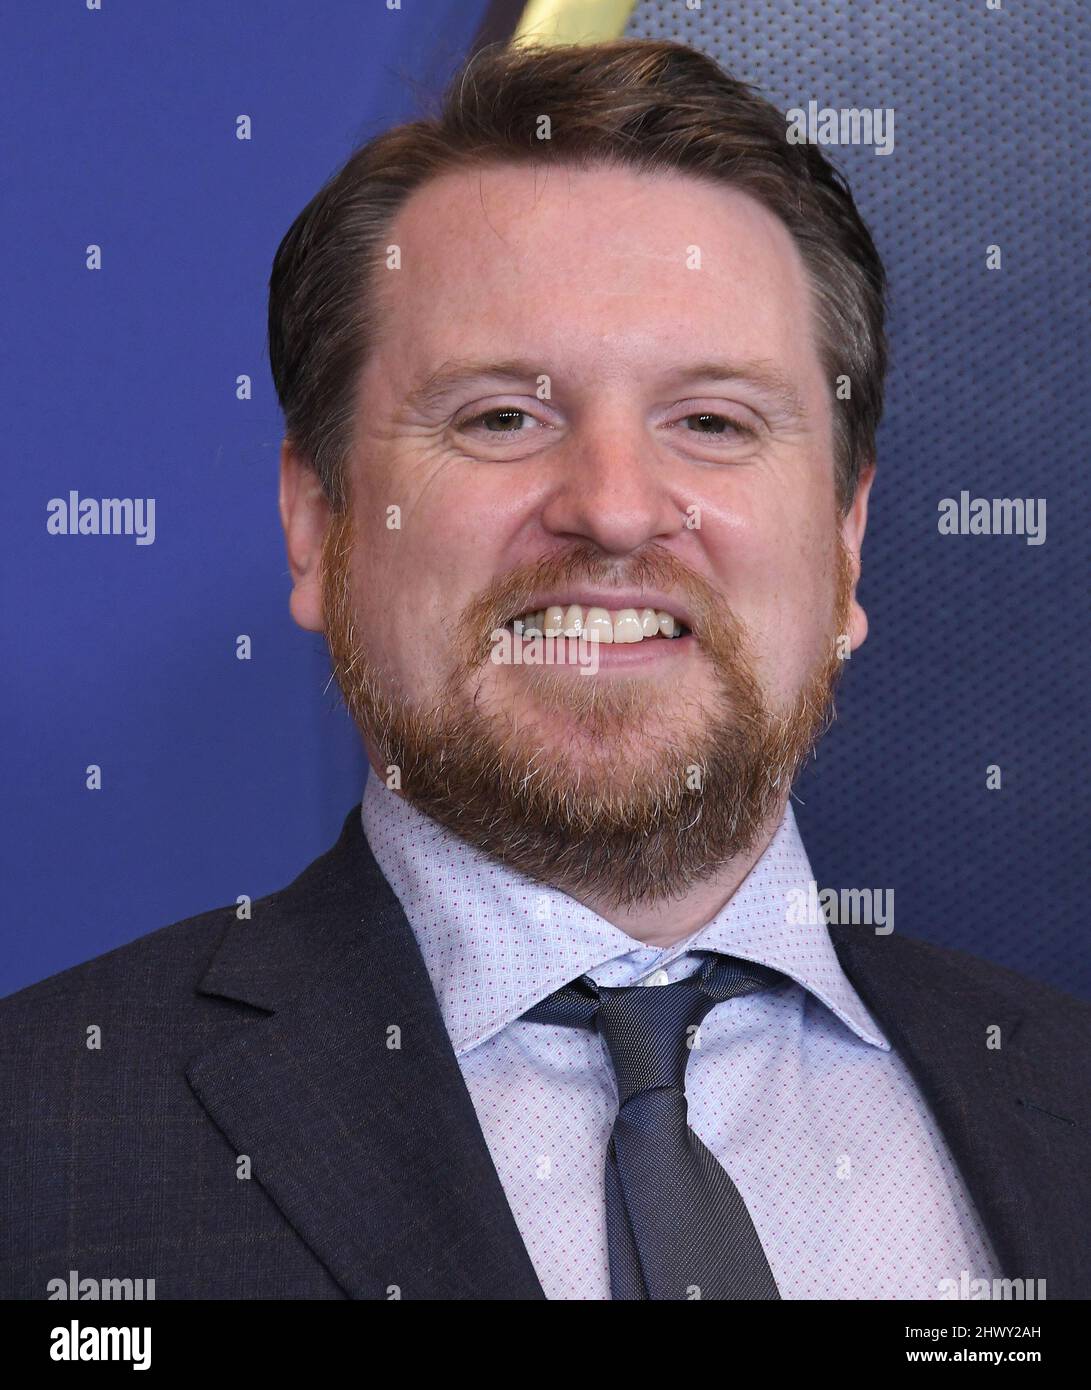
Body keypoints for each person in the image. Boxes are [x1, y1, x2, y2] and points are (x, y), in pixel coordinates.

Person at [3, 37, 1088, 1302]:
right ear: (316, 522)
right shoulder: (40, 1145)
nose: (616, 510)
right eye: (500, 418)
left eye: (713, 422)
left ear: (844, 542)